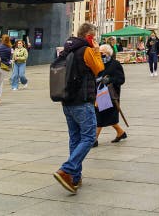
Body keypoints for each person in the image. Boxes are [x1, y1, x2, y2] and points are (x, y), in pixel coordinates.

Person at [53, 22, 105, 193]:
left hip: (67, 101)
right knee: (89, 137)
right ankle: (66, 170)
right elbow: (99, 69)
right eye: (94, 37)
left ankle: (74, 178)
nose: (95, 40)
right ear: (89, 36)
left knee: (75, 138)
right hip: (82, 101)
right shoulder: (86, 50)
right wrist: (97, 50)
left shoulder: (68, 49)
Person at [93, 44, 127, 146]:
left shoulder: (115, 64)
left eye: (102, 53)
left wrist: (110, 80)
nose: (100, 54)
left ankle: (94, 140)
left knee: (99, 116)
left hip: (110, 94)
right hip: (99, 93)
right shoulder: (98, 63)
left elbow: (121, 79)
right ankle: (121, 132)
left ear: (108, 53)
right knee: (107, 117)